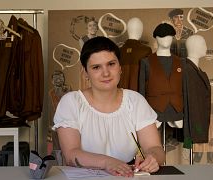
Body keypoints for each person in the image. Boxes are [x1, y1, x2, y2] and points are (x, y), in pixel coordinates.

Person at [53, 36, 165, 177]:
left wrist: (152, 158)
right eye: (96, 67)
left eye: (111, 64)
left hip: (127, 175)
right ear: (85, 73)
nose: (106, 73)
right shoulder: (71, 102)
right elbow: (71, 155)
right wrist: (108, 162)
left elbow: (155, 148)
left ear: (120, 67)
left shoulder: (136, 101)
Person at [119, 17, 152, 91]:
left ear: (127, 30)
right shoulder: (146, 50)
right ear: (140, 30)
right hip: (139, 95)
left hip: (120, 95)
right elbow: (148, 79)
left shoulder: (118, 51)